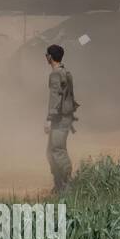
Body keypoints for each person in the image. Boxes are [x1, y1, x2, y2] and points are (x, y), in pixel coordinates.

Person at [44, 43, 77, 193]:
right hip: (64, 117)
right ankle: (59, 184)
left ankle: (68, 185)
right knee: (51, 151)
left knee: (57, 150)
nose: (46, 57)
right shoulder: (66, 72)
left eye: (46, 55)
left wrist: (49, 119)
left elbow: (55, 97)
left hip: (59, 118)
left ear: (50, 57)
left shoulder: (56, 74)